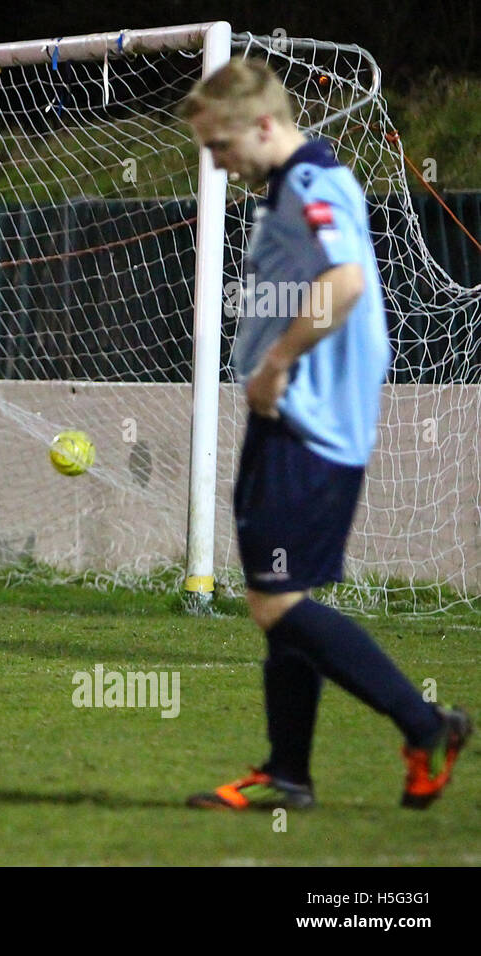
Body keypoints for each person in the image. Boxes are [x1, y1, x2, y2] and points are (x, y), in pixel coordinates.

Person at [178, 59, 468, 810]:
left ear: (266, 126)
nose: (217, 163)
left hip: (309, 426)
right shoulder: (287, 187)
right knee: (284, 599)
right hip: (289, 422)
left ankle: (424, 722)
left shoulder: (312, 181)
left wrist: (276, 365)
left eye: (221, 146)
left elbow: (345, 284)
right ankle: (287, 774)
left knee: (275, 601)